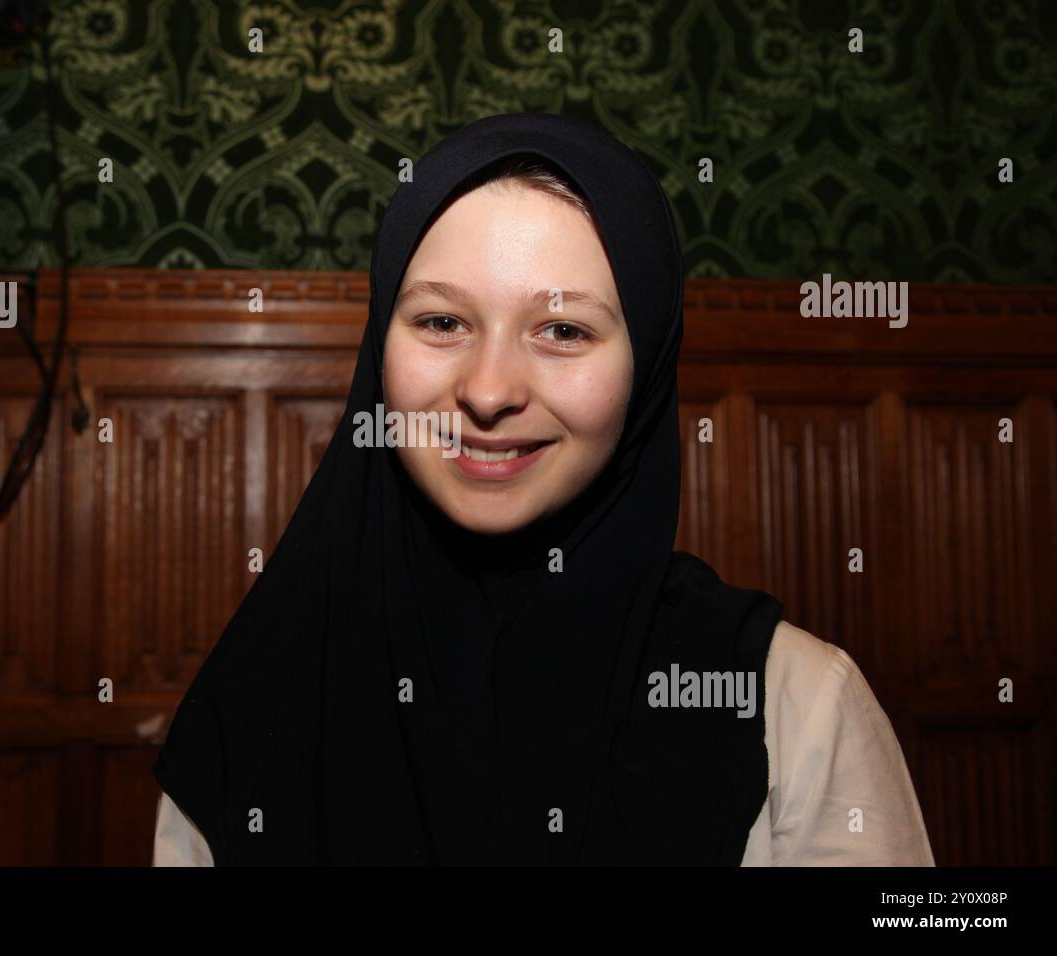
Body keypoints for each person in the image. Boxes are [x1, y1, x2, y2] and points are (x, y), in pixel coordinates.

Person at [151, 112, 935, 866]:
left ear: (647, 369)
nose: (489, 391)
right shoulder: (253, 705)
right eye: (441, 322)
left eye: (564, 331)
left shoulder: (790, 706)